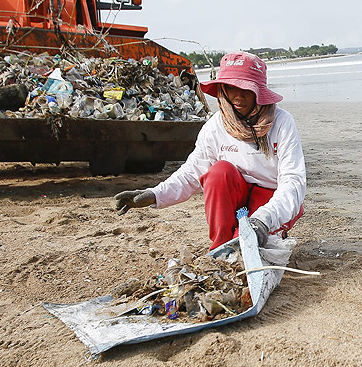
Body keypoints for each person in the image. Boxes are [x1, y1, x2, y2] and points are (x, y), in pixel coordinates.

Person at [114, 51, 306, 250]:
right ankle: (220, 245)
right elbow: (192, 172)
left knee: (249, 241)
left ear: (259, 92)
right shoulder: (216, 125)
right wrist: (154, 194)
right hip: (235, 196)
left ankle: (261, 233)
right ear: (223, 89)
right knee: (218, 173)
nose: (238, 96)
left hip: (271, 198)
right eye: (232, 87)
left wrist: (265, 219)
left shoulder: (282, 123)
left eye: (246, 89)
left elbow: (293, 182)